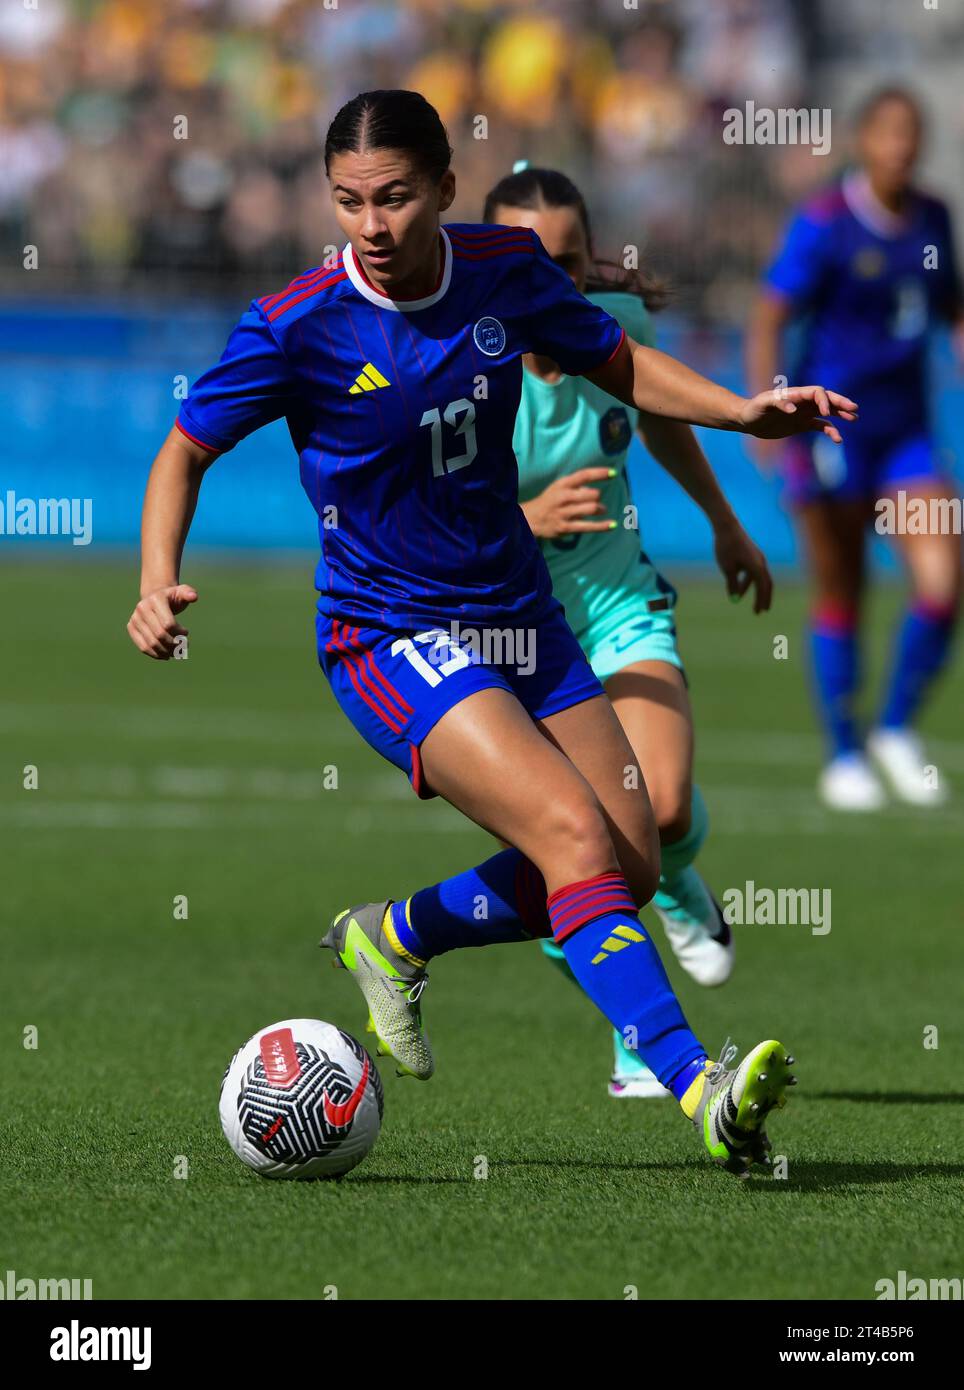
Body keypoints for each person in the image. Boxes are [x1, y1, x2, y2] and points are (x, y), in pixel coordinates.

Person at [129, 90, 854, 1175]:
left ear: (442, 189)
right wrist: (155, 579)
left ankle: (399, 931)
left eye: (394, 196)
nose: (370, 224)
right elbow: (184, 448)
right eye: (348, 201)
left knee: (629, 856)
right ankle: (698, 1088)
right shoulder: (298, 323)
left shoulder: (504, 276)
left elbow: (623, 366)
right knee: (570, 836)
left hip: (520, 615)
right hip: (389, 632)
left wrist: (743, 410)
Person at [484, 162, 770, 1099]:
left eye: (569, 261)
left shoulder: (618, 330)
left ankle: (680, 886)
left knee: (668, 813)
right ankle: (637, 1039)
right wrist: (521, 519)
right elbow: (404, 509)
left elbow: (660, 418)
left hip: (615, 608)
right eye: (530, 261)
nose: (552, 283)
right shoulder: (456, 359)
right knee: (593, 850)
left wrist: (726, 523)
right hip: (513, 637)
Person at [747, 87, 963, 811]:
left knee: (941, 582)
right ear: (864, 140)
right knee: (843, 591)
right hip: (833, 430)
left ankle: (894, 729)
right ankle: (844, 754)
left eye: (913, 133)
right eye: (889, 132)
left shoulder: (933, 218)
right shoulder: (826, 223)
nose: (901, 146)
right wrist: (766, 406)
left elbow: (949, 304)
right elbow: (771, 314)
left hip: (907, 437)